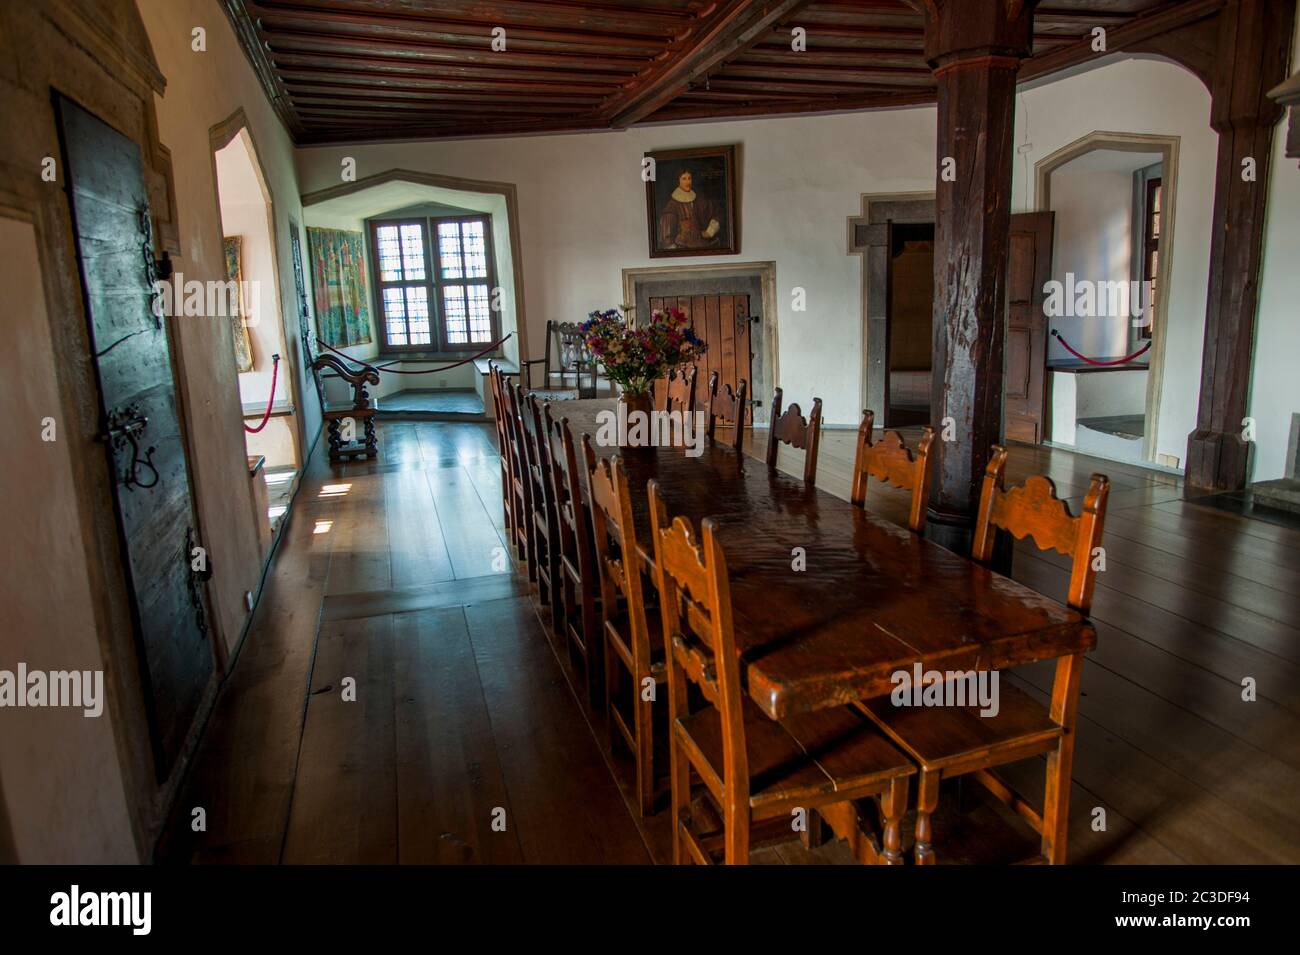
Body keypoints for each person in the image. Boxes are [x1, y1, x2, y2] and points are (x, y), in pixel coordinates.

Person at [657, 168, 722, 250]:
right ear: (678, 180)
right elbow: (667, 237)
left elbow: (716, 211)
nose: (687, 182)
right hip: (682, 248)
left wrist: (709, 232)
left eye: (689, 178)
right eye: (684, 179)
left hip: (701, 245)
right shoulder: (672, 205)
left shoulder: (698, 199)